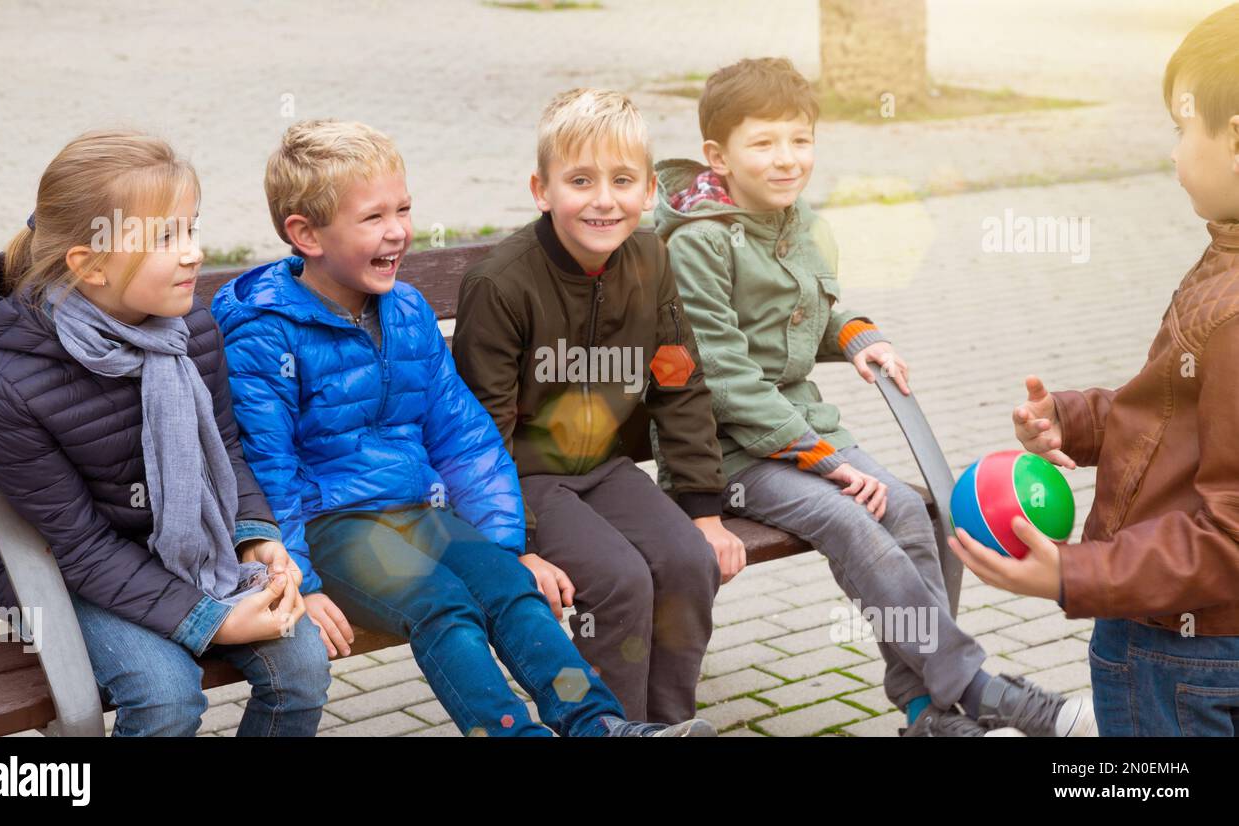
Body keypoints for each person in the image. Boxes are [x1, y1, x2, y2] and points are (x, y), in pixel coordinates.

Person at [212, 118, 715, 736]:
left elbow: (462, 436)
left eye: (403, 209)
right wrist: (300, 582)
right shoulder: (264, 335)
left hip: (419, 510)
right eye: (373, 218)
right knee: (442, 607)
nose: (397, 230)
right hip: (330, 528)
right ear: (305, 233)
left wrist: (509, 545)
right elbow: (268, 468)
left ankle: (599, 725)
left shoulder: (405, 310)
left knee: (511, 591)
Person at [655, 58, 1094, 737]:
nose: (786, 159)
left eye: (800, 140)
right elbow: (725, 376)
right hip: (723, 455)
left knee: (922, 516)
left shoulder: (789, 218)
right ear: (718, 155)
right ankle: (978, 691)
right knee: (856, 524)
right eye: (764, 143)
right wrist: (825, 458)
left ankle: (927, 710)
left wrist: (861, 338)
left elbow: (810, 313)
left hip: (800, 432)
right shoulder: (699, 243)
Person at [0, 130, 330, 737]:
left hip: (183, 551)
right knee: (165, 695)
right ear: (90, 263)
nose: (193, 253)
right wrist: (211, 621)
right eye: (165, 237)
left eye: (191, 227)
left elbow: (226, 455)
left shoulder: (192, 332)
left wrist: (255, 539)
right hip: (52, 572)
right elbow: (77, 547)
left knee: (302, 667)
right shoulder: (4, 385)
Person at [952, 4, 1239, 736]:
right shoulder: (1226, 260)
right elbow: (1177, 413)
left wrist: (1073, 573)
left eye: (1181, 130)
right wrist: (1078, 420)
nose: (1174, 155)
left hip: (1176, 650)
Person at [454, 88, 742, 723]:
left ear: (648, 193)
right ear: (542, 189)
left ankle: (668, 726)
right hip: (524, 479)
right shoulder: (501, 284)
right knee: (619, 581)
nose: (603, 199)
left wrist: (704, 509)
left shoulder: (651, 259)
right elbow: (480, 436)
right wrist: (515, 546)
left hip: (604, 468)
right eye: (580, 180)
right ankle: (610, 728)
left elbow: (680, 382)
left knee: (690, 563)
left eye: (621, 180)